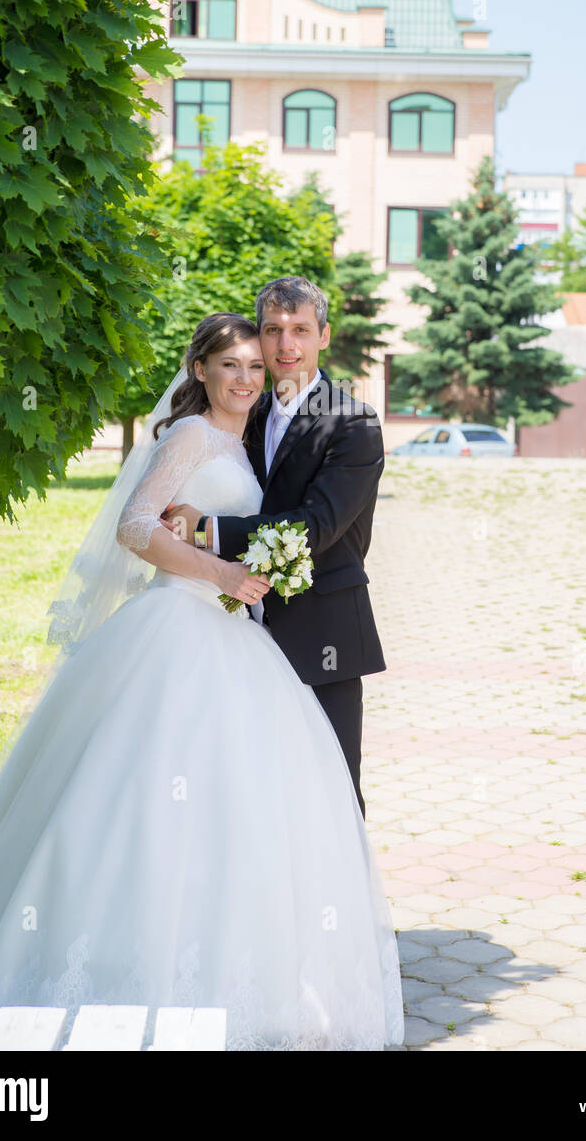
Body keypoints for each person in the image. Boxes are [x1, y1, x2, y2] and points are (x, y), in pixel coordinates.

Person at [0, 312, 404, 1051]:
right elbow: (135, 528)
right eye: (228, 365)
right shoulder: (193, 436)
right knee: (136, 796)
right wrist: (221, 570)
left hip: (237, 636)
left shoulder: (248, 437)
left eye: (253, 368)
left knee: (244, 806)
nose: (244, 378)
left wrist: (232, 565)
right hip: (176, 630)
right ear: (197, 370)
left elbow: (291, 519)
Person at [164, 277, 386, 820]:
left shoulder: (353, 423)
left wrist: (205, 528)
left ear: (324, 336)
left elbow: (313, 529)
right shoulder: (246, 412)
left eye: (301, 330)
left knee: (331, 792)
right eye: (273, 330)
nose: (287, 345)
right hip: (237, 634)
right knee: (252, 794)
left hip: (322, 635)